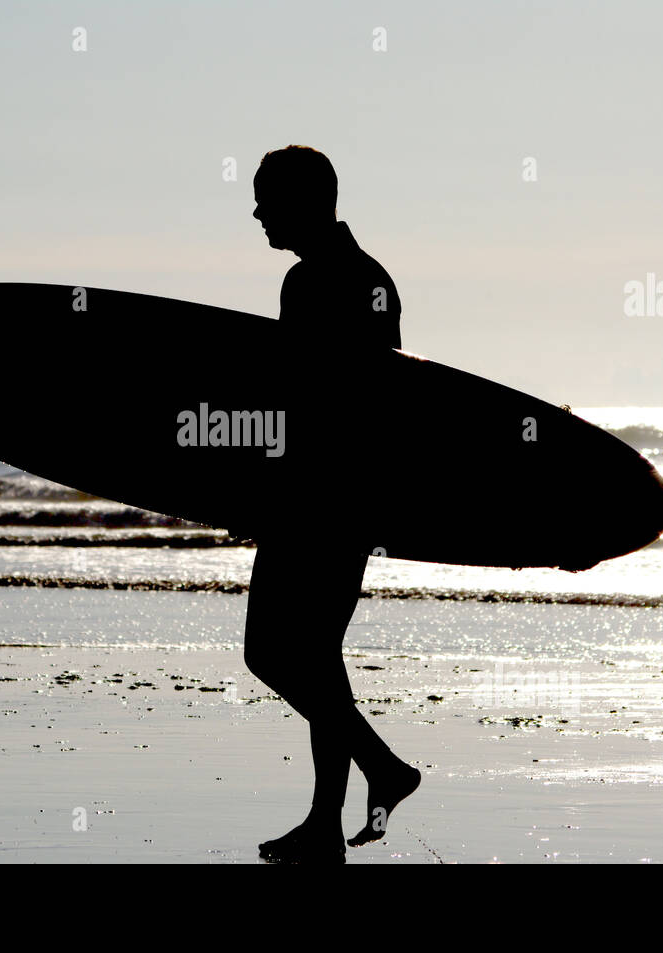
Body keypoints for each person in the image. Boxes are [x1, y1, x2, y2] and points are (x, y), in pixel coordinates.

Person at [245, 145, 421, 863]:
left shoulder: (334, 283)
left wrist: (266, 490)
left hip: (324, 501)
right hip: (336, 498)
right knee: (317, 657)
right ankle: (324, 822)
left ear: (305, 201)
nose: (256, 212)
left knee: (272, 653)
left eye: (267, 199)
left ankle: (385, 767)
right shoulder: (339, 279)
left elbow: (335, 404)